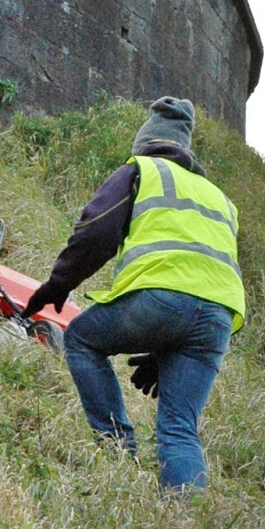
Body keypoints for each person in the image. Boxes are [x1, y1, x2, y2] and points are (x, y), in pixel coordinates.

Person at [23, 96, 244, 498]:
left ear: (146, 143)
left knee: (81, 339)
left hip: (161, 300)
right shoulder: (220, 200)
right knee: (179, 427)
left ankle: (117, 451)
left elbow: (97, 230)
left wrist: (59, 284)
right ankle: (185, 518)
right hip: (218, 319)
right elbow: (216, 272)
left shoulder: (142, 169)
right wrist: (169, 349)